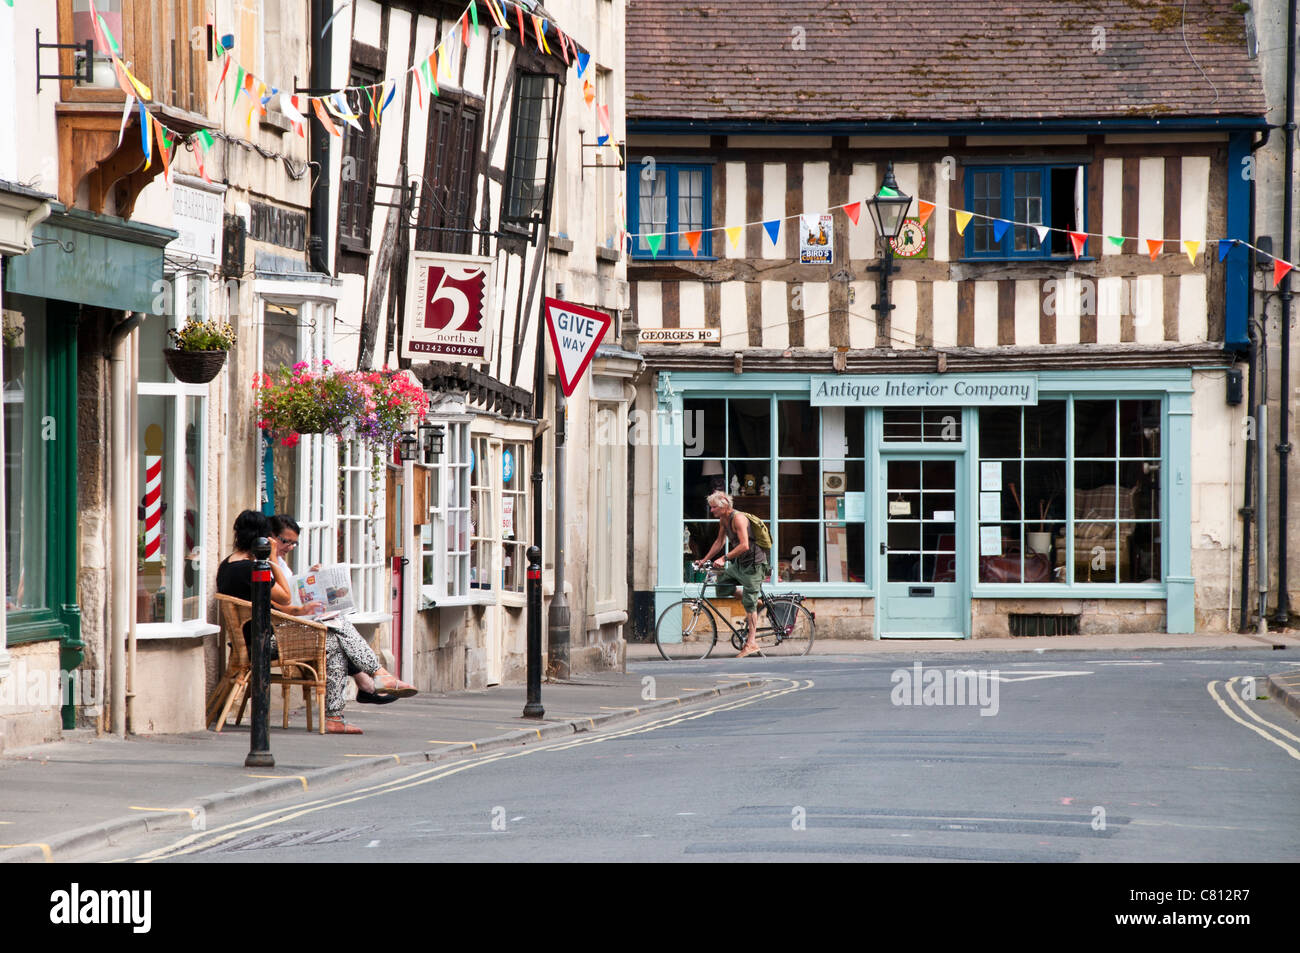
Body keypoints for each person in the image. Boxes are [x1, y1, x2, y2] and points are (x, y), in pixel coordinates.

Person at [216, 510, 414, 735]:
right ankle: (367, 684)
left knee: (334, 636)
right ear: (262, 538)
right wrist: (271, 559)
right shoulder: (252, 567)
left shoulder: (229, 565)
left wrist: (300, 610)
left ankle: (361, 692)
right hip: (265, 642)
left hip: (263, 635)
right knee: (336, 638)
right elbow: (285, 597)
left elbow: (275, 603)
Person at [269, 514, 405, 707]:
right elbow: (281, 602)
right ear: (271, 537)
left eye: (294, 544)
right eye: (285, 541)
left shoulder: (279, 563)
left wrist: (310, 577)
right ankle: (372, 677)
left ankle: (363, 686)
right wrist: (302, 608)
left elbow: (290, 590)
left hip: (295, 621)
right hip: (283, 628)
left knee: (337, 624)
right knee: (336, 633)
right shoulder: (266, 563)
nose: (289, 547)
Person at [694, 490, 769, 658]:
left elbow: (744, 545)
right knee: (722, 587)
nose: (711, 510)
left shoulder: (739, 519)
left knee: (749, 605)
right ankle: (755, 600)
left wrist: (724, 558)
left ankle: (751, 643)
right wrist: (704, 559)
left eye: (714, 507)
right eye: (711, 507)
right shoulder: (723, 519)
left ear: (724, 506)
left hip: (753, 565)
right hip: (739, 564)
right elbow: (719, 542)